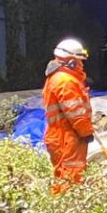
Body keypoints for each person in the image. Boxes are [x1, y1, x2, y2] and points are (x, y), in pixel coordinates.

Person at [43, 38, 94, 192]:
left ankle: (62, 207)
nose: (82, 65)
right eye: (79, 61)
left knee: (63, 175)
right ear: (70, 61)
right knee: (70, 177)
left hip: (61, 135)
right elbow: (75, 112)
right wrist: (86, 132)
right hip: (67, 137)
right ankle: (67, 209)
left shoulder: (58, 77)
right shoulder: (66, 81)